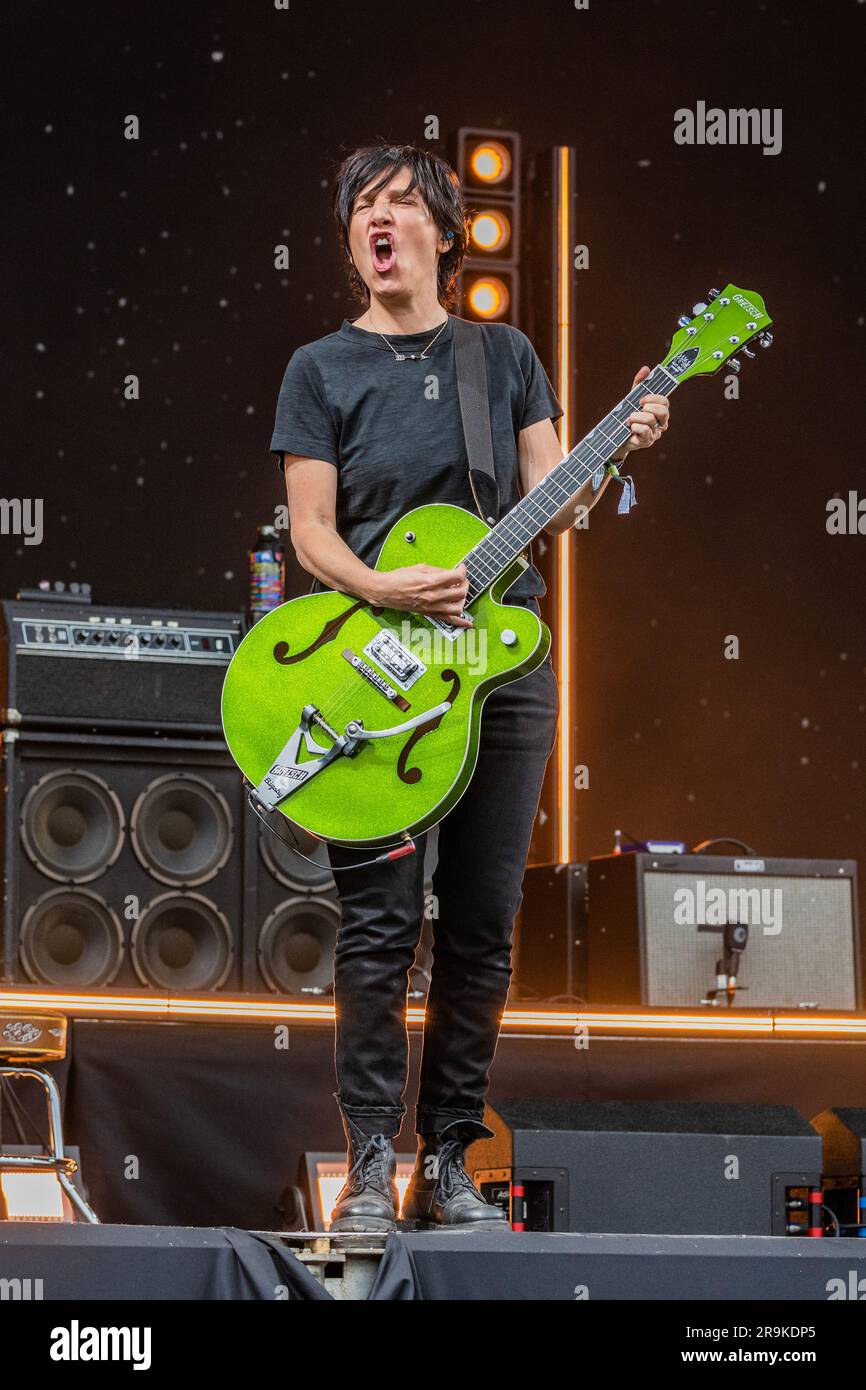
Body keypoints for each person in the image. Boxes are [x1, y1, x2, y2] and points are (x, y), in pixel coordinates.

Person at [269, 141, 670, 1232]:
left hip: (502, 673)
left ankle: (443, 1162)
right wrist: (383, 584)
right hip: (377, 676)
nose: (378, 219)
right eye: (362, 206)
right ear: (350, 237)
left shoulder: (503, 357)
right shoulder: (319, 369)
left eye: (401, 203)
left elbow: (557, 505)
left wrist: (614, 449)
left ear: (446, 234)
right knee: (377, 925)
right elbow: (310, 532)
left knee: (484, 923)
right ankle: (363, 1165)